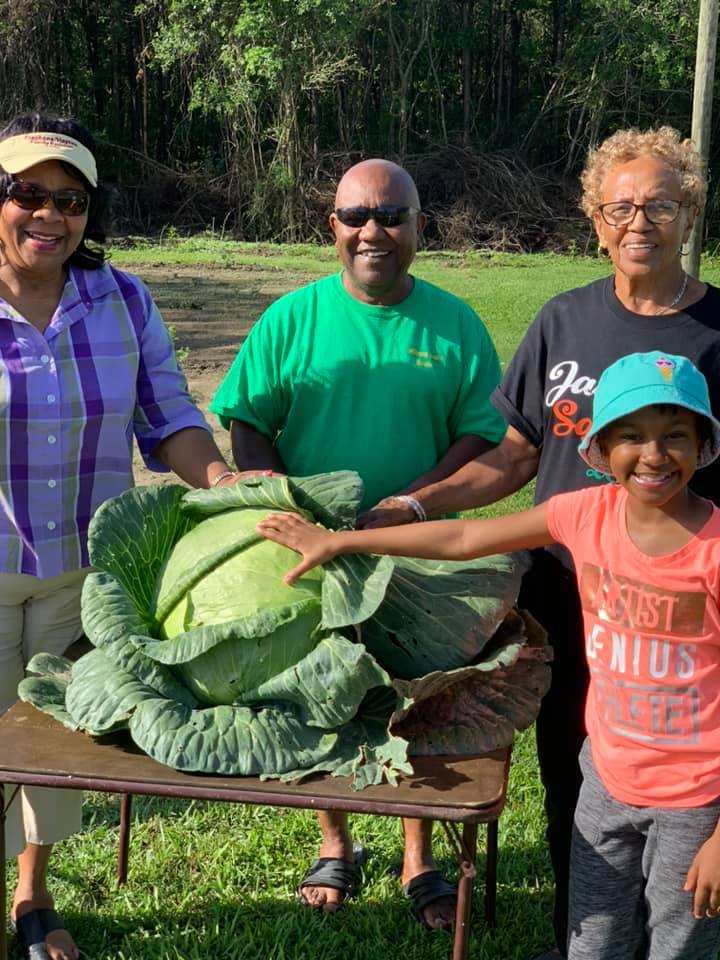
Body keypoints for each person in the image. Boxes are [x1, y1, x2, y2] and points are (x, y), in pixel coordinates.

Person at [327, 127, 720, 959]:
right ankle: (586, 939)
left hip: (687, 606)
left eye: (659, 204)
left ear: (689, 213)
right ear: (596, 220)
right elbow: (512, 456)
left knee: (691, 782)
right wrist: (411, 504)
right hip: (566, 594)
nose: (639, 220)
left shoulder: (719, 331)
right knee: (580, 775)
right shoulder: (564, 318)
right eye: (620, 207)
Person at [258, 350, 720, 960]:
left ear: (703, 445)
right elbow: (464, 536)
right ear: (602, 449)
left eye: (675, 436)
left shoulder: (713, 549)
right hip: (606, 778)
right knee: (595, 939)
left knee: (682, 944)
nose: (654, 455)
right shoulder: (585, 514)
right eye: (631, 436)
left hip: (698, 799)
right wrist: (343, 541)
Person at [209, 157, 507, 928]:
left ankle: (420, 861)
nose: (373, 230)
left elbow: (481, 436)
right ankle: (335, 843)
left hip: (420, 553)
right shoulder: (292, 319)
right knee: (323, 697)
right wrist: (280, 503)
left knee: (416, 705)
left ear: (418, 227)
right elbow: (248, 420)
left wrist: (413, 506)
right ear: (332, 227)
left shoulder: (456, 324)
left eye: (392, 216)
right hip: (312, 550)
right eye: (355, 216)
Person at [0, 113, 238, 960]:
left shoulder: (122, 298)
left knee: (57, 744)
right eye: (27, 192)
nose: (48, 215)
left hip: (83, 574)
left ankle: (33, 896)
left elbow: (168, 415)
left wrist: (222, 481)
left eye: (69, 200)